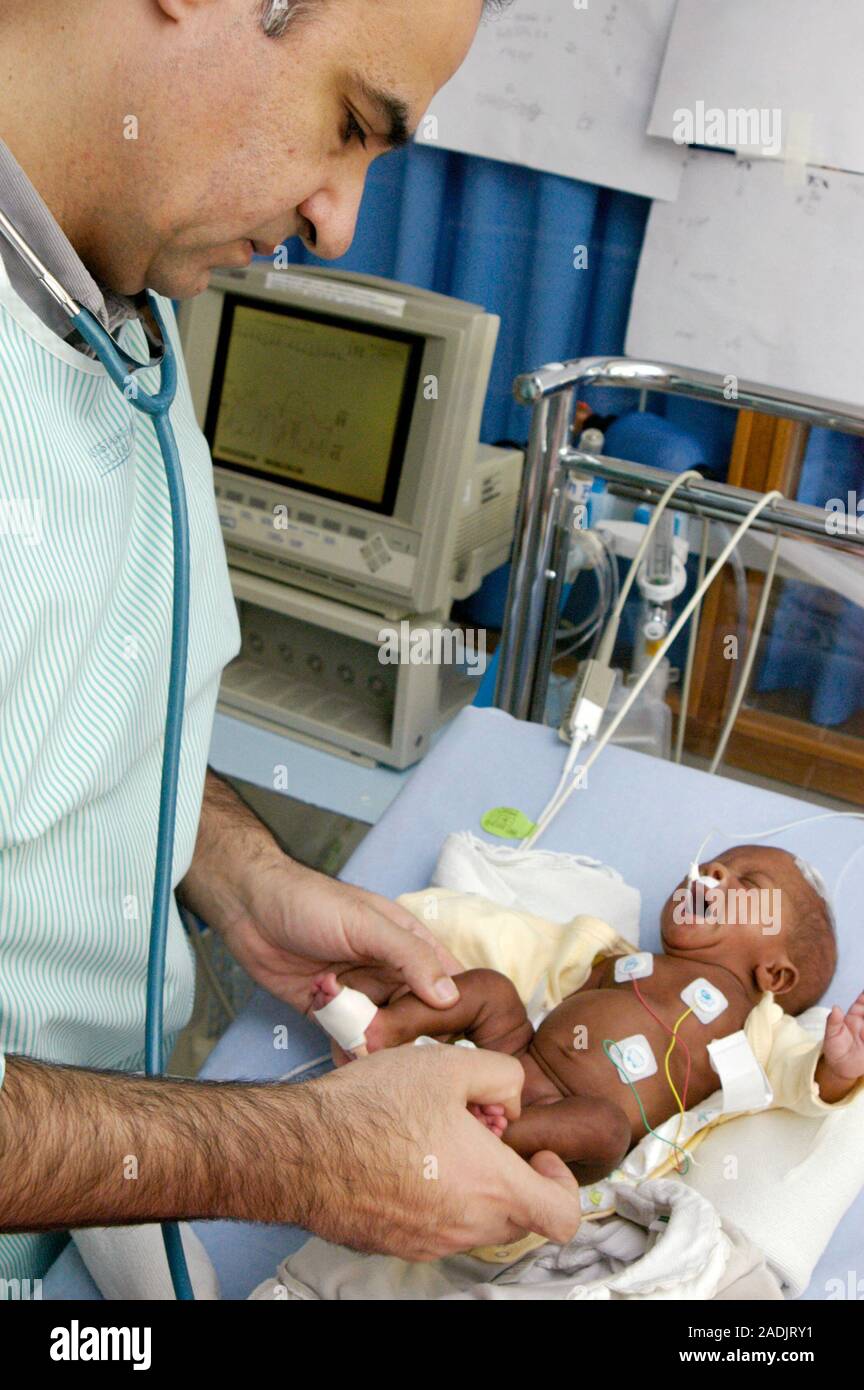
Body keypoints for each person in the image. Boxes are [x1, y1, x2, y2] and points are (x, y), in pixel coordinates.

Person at [0, 0, 581, 1289]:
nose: (339, 220)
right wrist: (291, 1155)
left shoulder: (109, 303)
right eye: (350, 126)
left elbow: (62, 697)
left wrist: (236, 872)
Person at [348, 844, 864, 1182]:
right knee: (491, 988)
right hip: (515, 1054)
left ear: (774, 976)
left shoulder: (758, 1033)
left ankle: (495, 1134)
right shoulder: (616, 957)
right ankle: (382, 1026)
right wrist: (425, 919)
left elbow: (798, 1077)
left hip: (570, 1119)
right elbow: (519, 943)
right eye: (711, 867)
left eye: (746, 887)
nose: (713, 872)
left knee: (607, 1129)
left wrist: (837, 1067)